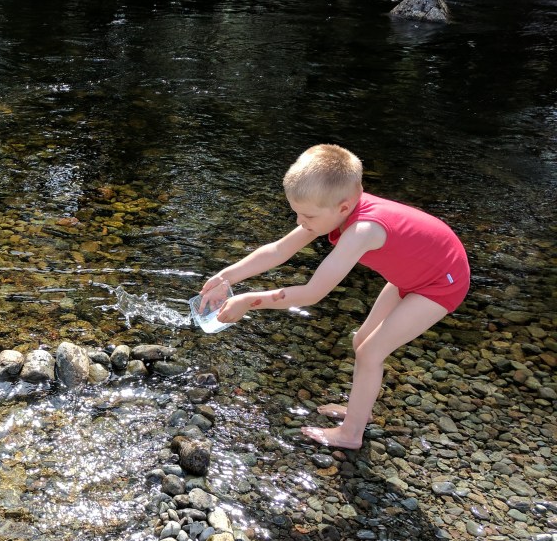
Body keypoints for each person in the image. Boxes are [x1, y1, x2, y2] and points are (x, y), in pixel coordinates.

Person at [198, 144, 469, 449]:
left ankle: (350, 435)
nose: (301, 222)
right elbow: (279, 250)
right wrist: (226, 276)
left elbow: (313, 293)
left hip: (440, 284)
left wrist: (249, 300)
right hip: (412, 276)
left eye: (307, 216)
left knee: (370, 353)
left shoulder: (362, 230)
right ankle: (359, 413)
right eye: (297, 213)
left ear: (343, 207)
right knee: (361, 342)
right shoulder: (330, 209)